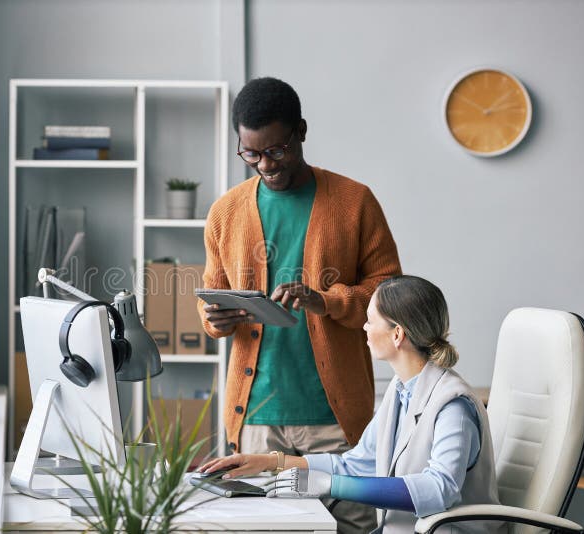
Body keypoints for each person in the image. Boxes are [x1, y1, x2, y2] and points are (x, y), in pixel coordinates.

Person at [197, 76, 401, 532]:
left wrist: (325, 301)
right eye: (251, 154)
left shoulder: (354, 202)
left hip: (333, 419)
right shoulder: (225, 212)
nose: (265, 164)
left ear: (301, 132)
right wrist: (216, 318)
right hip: (255, 418)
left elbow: (390, 295)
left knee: (350, 527)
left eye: (277, 150)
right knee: (258, 528)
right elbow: (212, 294)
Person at [200, 275, 502, 534]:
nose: (364, 329)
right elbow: (355, 463)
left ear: (397, 334)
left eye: (370, 321)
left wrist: (332, 485)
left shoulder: (453, 407)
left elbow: (439, 490)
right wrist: (266, 462)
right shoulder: (401, 391)